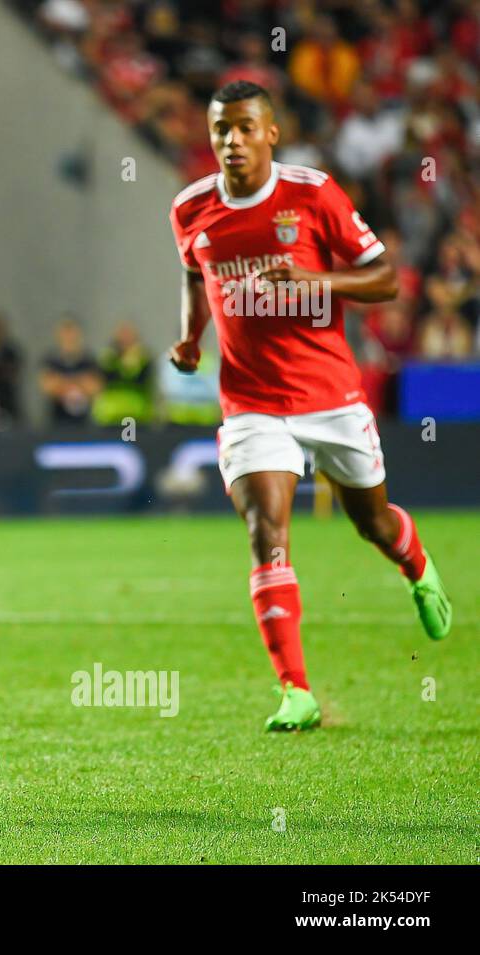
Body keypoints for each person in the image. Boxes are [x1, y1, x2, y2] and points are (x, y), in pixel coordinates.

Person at [168, 81, 452, 731]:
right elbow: (194, 273)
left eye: (244, 128)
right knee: (267, 531)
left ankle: (416, 565)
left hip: (329, 394)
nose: (231, 141)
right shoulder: (191, 209)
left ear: (271, 132)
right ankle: (296, 690)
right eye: (220, 131)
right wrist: (190, 338)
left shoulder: (313, 193)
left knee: (372, 522)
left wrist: (317, 279)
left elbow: (385, 278)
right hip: (249, 401)